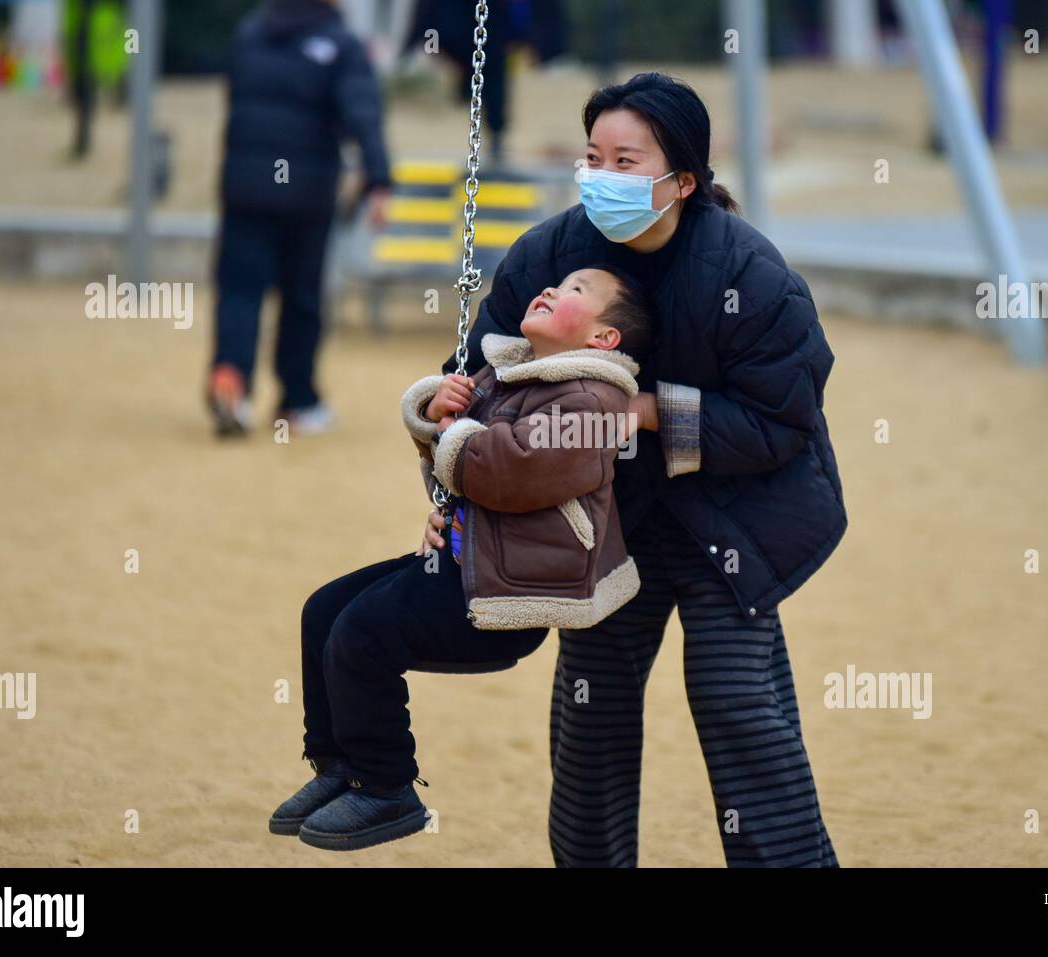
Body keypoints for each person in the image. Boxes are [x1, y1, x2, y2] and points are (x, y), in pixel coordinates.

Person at [419, 72, 848, 867]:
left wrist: (650, 410)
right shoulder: (550, 254)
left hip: (731, 517)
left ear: (683, 180)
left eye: (626, 160)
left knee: (738, 706)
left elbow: (781, 421)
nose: (602, 176)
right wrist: (446, 444)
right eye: (593, 157)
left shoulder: (748, 273)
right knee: (592, 721)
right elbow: (479, 383)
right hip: (607, 524)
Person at [269, 265, 655, 851]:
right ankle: (337, 767)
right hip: (467, 563)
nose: (552, 289)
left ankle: (387, 786)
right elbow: (454, 475)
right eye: (556, 283)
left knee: (363, 634)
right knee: (323, 611)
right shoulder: (508, 376)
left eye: (577, 291)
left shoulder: (594, 400)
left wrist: (457, 438)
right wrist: (434, 414)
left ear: (604, 339)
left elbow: (512, 469)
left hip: (512, 597)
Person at [207, 0, 392, 438]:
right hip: (305, 193)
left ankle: (231, 378)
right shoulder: (340, 43)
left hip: (243, 187)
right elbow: (362, 112)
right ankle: (297, 399)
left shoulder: (250, 32)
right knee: (302, 297)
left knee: (238, 289)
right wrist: (379, 179)